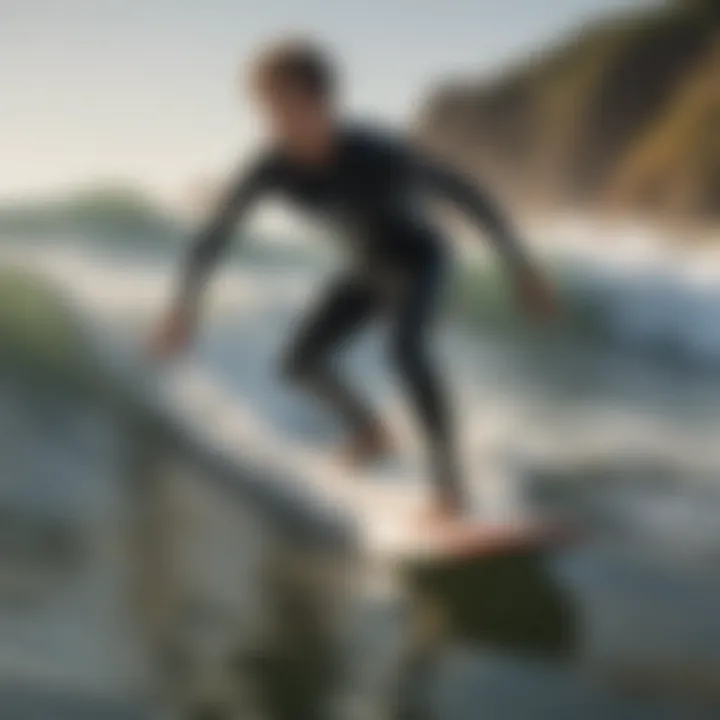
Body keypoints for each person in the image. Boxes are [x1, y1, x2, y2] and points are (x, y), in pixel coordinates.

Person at [149, 39, 554, 523]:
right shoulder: (271, 165)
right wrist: (184, 305)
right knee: (300, 363)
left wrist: (519, 265)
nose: (273, 120)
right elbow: (217, 232)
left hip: (420, 258)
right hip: (366, 267)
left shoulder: (377, 153)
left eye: (283, 106)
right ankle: (369, 432)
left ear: (322, 102)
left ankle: (450, 489)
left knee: (406, 350)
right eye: (266, 109)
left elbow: (464, 193)